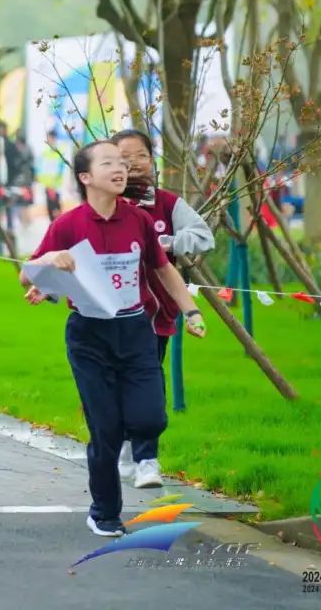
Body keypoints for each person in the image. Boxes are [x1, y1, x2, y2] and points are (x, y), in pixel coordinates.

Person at [20, 140, 206, 538]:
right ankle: (104, 511)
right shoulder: (68, 225)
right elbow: (25, 273)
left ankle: (135, 449)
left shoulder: (137, 220)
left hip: (135, 329)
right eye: (109, 163)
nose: (121, 168)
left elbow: (163, 270)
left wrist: (191, 310)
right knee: (104, 429)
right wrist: (50, 260)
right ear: (86, 177)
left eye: (123, 163)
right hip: (89, 336)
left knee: (150, 418)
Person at [112, 129, 215, 488]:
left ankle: (145, 457)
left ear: (151, 160)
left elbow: (204, 236)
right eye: (123, 157)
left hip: (155, 314)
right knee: (115, 386)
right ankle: (123, 445)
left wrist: (169, 241)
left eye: (140, 155)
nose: (133, 164)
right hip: (110, 315)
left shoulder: (169, 205)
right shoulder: (106, 204)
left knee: (148, 385)